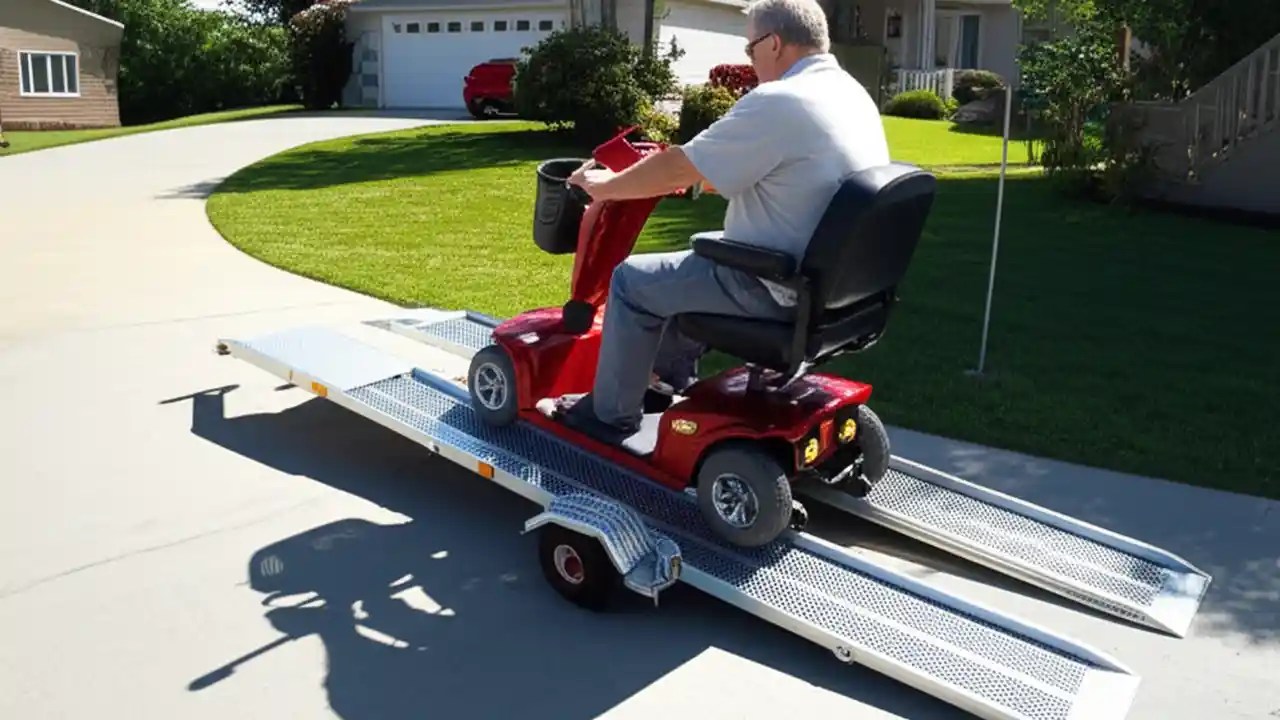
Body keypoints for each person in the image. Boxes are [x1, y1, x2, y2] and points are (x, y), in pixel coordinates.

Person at [552, 0, 891, 440]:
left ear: (774, 43)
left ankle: (609, 413)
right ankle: (665, 379)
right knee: (695, 252)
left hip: (776, 285)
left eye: (750, 50)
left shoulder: (780, 100)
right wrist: (684, 173)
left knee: (632, 282)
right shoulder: (849, 93)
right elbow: (765, 170)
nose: (750, 63)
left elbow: (679, 167)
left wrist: (606, 185)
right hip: (834, 285)